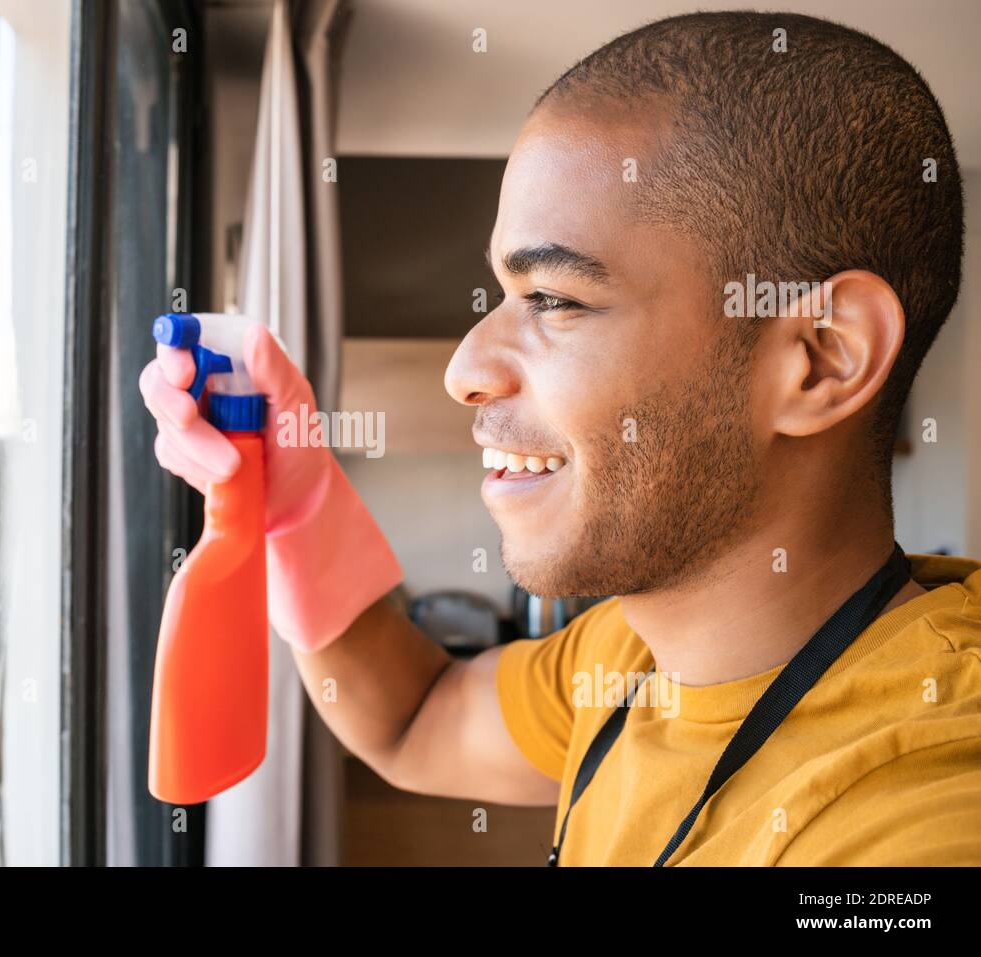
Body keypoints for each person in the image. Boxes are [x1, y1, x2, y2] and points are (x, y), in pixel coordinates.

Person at [141, 11, 981, 865]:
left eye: (555, 298)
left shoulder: (927, 810)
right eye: (505, 293)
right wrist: (296, 495)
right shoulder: (631, 650)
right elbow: (416, 716)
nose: (464, 368)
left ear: (822, 358)